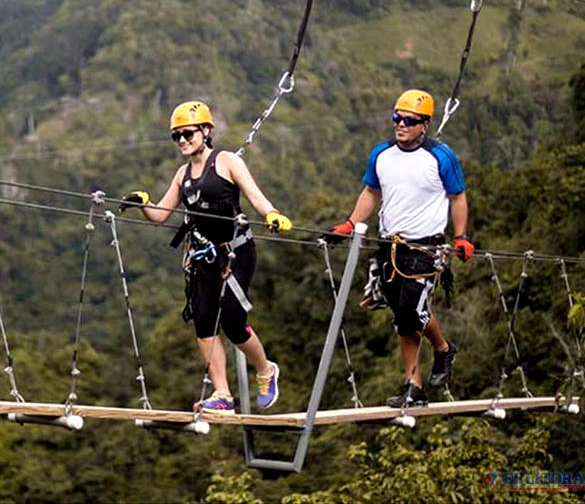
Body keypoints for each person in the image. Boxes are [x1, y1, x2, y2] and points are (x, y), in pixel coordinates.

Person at [119, 100, 292, 414]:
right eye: (177, 136)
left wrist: (272, 214)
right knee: (203, 322)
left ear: (206, 131)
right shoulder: (181, 175)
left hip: (236, 251)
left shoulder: (225, 161)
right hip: (203, 256)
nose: (182, 141)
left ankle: (266, 370)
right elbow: (160, 216)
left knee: (233, 321)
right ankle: (222, 394)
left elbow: (255, 196)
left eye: (188, 134)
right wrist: (143, 203)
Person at [326, 89, 474, 408]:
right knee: (402, 319)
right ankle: (413, 386)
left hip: (426, 247)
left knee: (412, 310)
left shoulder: (441, 156)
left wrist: (461, 236)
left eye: (409, 120)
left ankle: (443, 348)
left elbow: (458, 196)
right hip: (390, 247)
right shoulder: (382, 154)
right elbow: (371, 191)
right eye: (397, 118)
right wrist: (351, 223)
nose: (401, 124)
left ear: (424, 125)